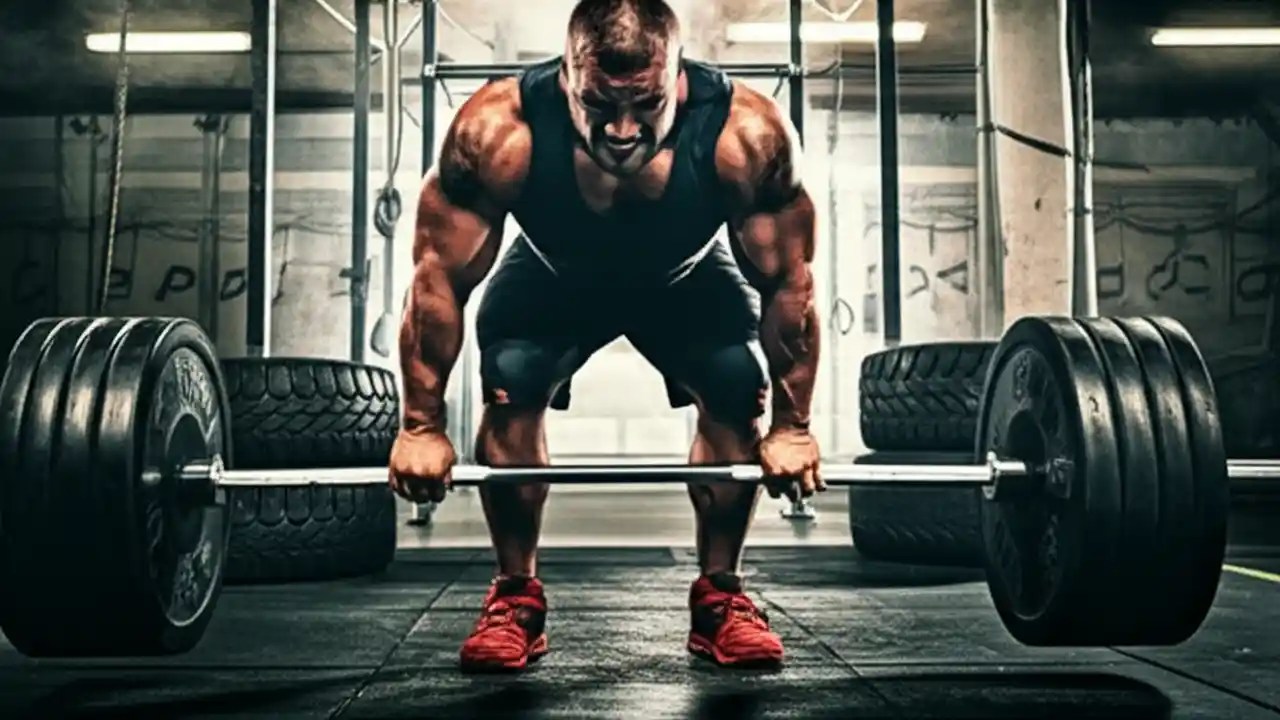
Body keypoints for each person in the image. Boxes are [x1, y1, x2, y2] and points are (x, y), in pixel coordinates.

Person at [389, 0, 824, 672]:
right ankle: (515, 598)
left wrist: (793, 428)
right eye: (597, 104)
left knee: (737, 388)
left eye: (645, 105)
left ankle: (719, 598)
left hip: (683, 279)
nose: (621, 130)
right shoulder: (498, 132)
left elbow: (789, 284)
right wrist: (420, 424)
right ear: (567, 77)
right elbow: (437, 281)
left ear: (677, 78)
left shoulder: (746, 136)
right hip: (551, 275)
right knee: (511, 375)